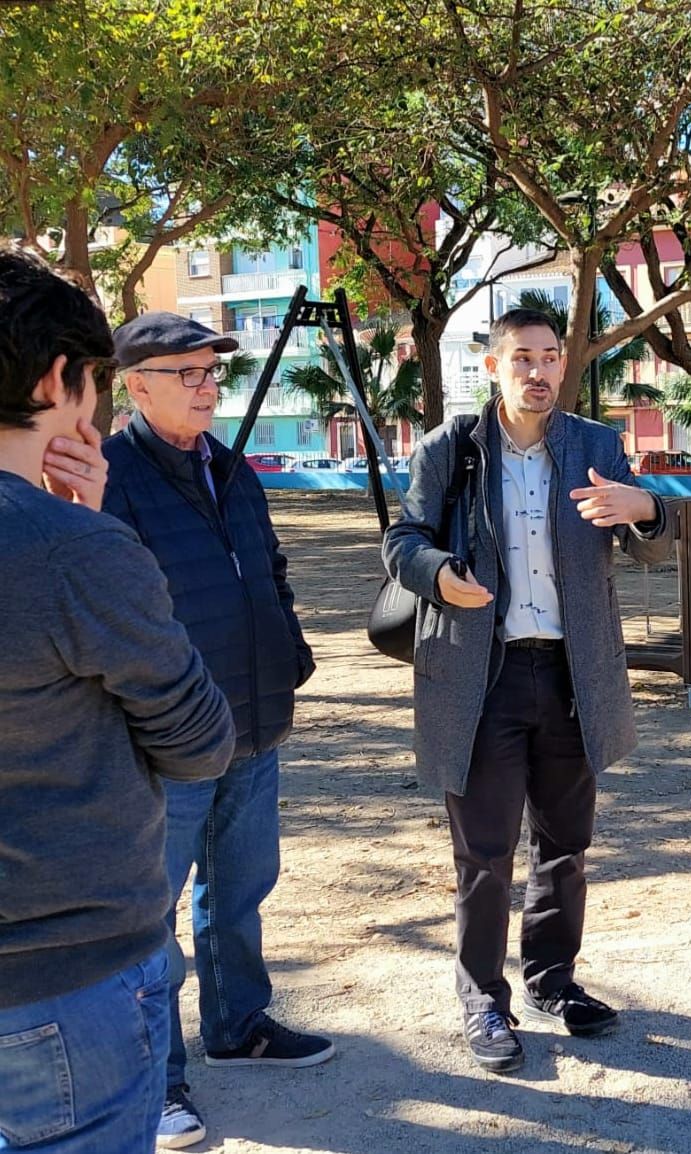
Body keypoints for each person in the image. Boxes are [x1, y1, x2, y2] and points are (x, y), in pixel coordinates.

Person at [383, 307, 671, 1075]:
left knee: (565, 848)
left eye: (550, 357)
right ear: (493, 367)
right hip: (482, 678)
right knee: (483, 854)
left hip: (575, 675)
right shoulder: (453, 448)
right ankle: (483, 997)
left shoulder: (595, 446)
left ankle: (552, 980)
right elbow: (402, 540)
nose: (538, 372)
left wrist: (645, 510)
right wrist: (439, 574)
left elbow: (652, 544)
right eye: (522, 358)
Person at [0, 244, 235, 1153]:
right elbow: (197, 740)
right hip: (59, 975)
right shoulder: (72, 554)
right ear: (65, 379)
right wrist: (86, 536)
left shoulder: (72, 544)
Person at [103, 312, 329, 1149]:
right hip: (165, 740)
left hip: (255, 718)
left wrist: (291, 653)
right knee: (149, 918)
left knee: (239, 891)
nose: (207, 386)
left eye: (211, 373)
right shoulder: (108, 477)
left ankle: (239, 1027)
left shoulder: (231, 469)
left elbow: (266, 565)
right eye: (188, 373)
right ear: (136, 385)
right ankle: (155, 1082)